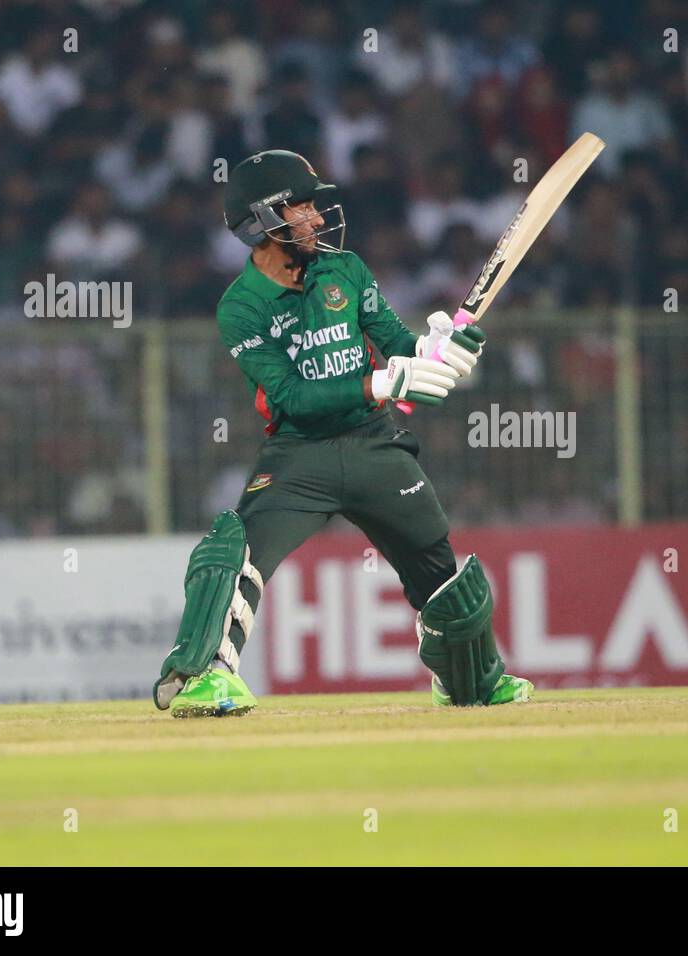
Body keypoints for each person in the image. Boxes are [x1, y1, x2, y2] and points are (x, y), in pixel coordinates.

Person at [153, 149, 533, 717]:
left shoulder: (346, 268)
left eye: (311, 205)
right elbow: (291, 398)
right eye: (297, 208)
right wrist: (384, 382)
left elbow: (398, 344)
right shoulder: (240, 306)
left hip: (376, 444)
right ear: (260, 223)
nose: (313, 217)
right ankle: (203, 677)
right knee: (234, 554)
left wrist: (438, 350)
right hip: (298, 453)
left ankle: (468, 680)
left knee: (434, 561)